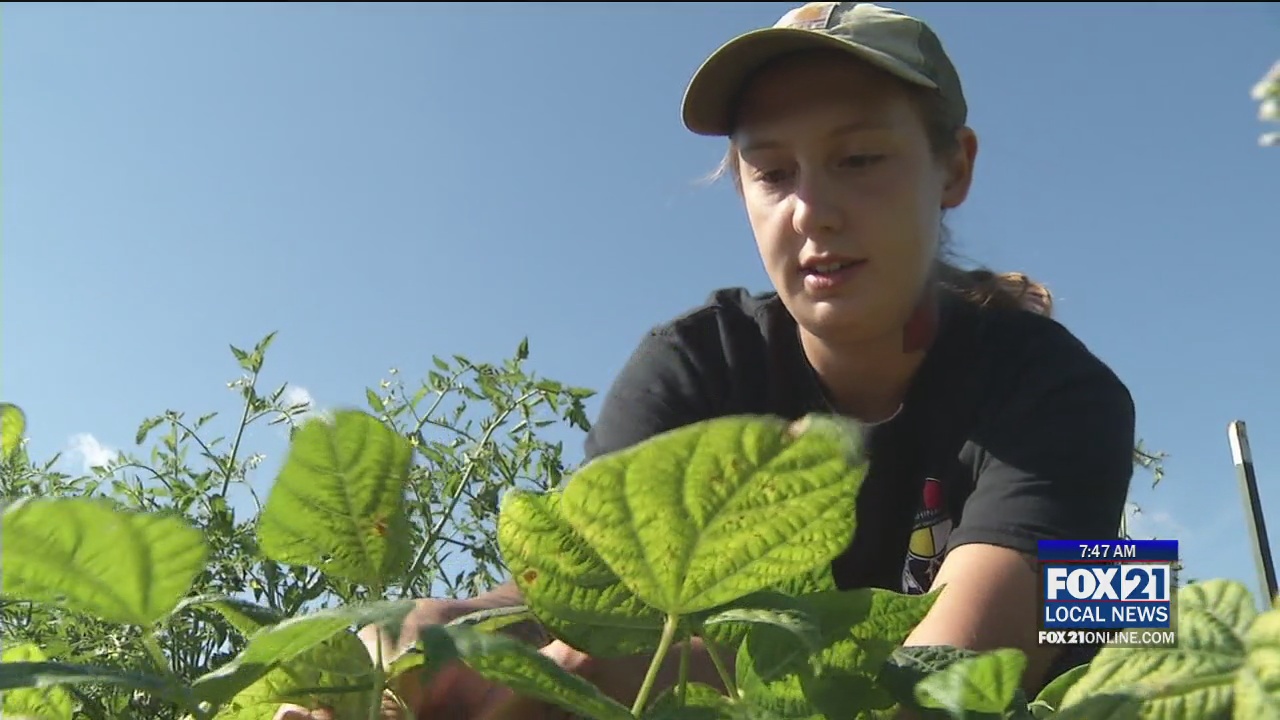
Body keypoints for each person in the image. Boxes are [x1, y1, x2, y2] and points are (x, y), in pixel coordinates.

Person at [276, 2, 1135, 718]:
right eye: (772, 171)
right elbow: (580, 593)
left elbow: (952, 679)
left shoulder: (1064, 393)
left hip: (1048, 689)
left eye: (860, 159)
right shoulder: (693, 364)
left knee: (1133, 599)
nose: (812, 211)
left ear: (954, 168)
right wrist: (445, 639)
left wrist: (578, 677)